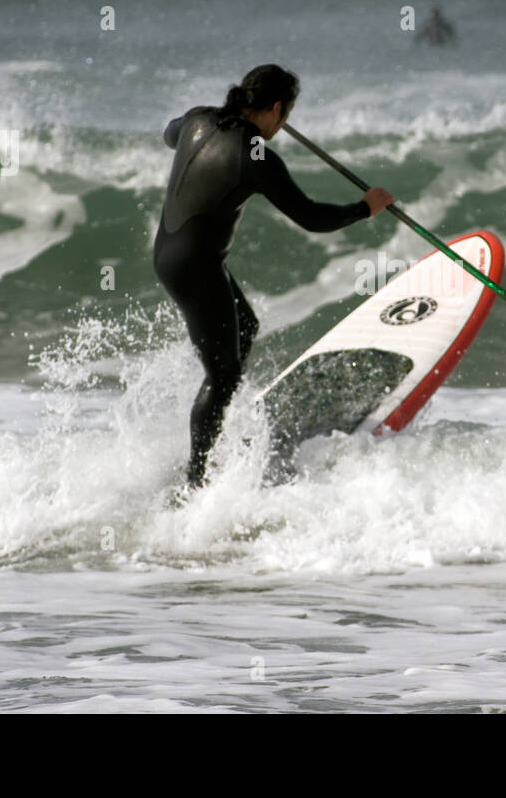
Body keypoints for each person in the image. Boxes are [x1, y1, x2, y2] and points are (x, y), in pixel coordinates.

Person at [153, 64, 394, 489]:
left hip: (173, 256)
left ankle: (214, 430)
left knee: (244, 326)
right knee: (222, 374)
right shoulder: (256, 155)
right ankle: (195, 483)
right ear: (278, 108)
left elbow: (169, 132)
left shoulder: (198, 118)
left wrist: (210, 117)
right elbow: (311, 217)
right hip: (197, 266)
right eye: (285, 116)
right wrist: (364, 208)